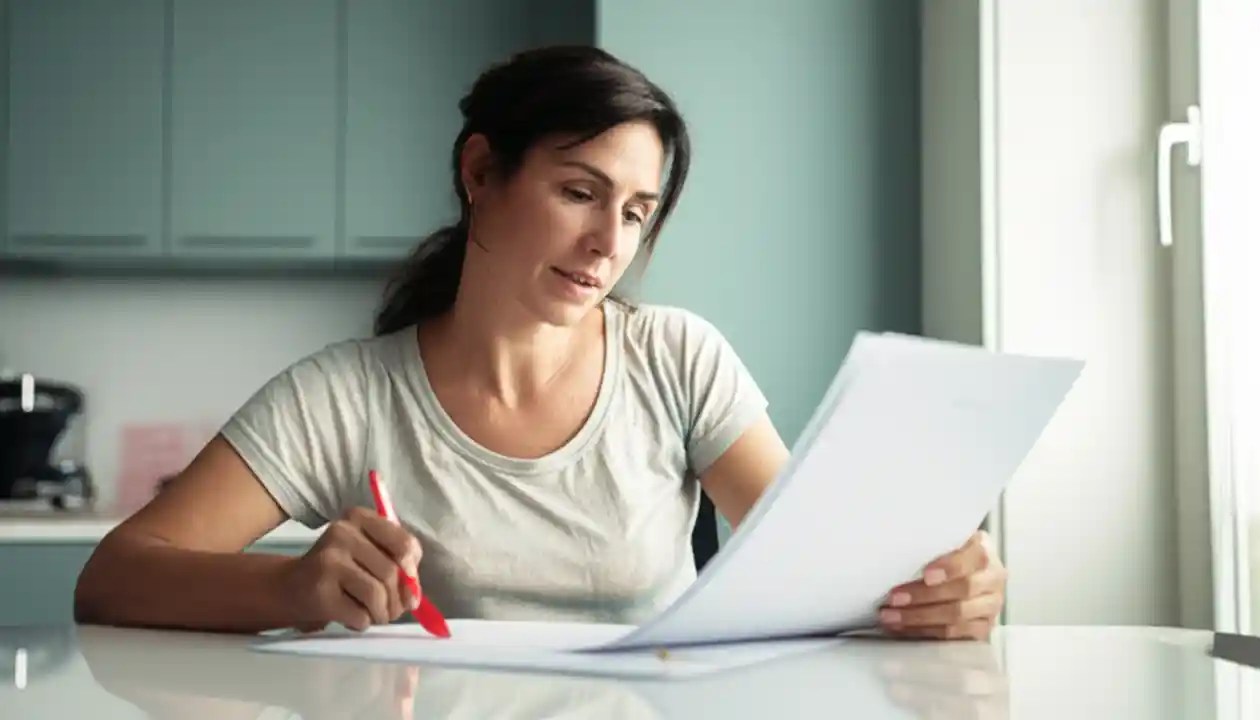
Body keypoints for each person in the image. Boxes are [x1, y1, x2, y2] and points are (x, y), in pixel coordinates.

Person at [74, 46, 1006, 641]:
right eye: (578, 192)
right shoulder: (346, 397)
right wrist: (291, 592)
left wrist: (939, 589)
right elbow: (114, 576)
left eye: (636, 212)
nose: (610, 244)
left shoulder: (677, 360)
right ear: (481, 171)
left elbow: (818, 571)